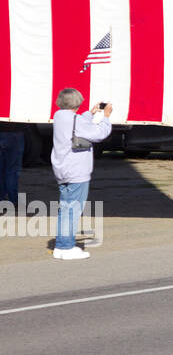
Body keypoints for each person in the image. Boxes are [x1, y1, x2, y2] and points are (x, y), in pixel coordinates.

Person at [50, 89, 112, 260]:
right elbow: (100, 134)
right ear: (77, 102)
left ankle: (62, 246)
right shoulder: (75, 120)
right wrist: (106, 117)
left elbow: (76, 124)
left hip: (62, 168)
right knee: (73, 209)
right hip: (76, 170)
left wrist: (90, 113)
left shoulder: (59, 117)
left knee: (65, 208)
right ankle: (66, 247)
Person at [0, 122, 25, 208]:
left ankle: (1, 199)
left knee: (2, 168)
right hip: (14, 132)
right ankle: (13, 200)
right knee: (12, 170)